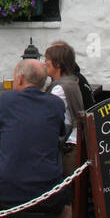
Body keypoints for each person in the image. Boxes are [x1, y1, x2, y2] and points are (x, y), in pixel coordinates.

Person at [0, 58, 71, 218]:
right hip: (48, 193)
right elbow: (60, 132)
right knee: (66, 200)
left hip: (8, 193)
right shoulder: (55, 104)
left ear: (20, 78)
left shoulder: (6, 100)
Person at [44, 41, 86, 179]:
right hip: (74, 141)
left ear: (58, 64)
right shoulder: (71, 82)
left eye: (47, 61)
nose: (45, 64)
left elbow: (48, 116)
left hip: (68, 146)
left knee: (67, 190)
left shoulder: (59, 89)